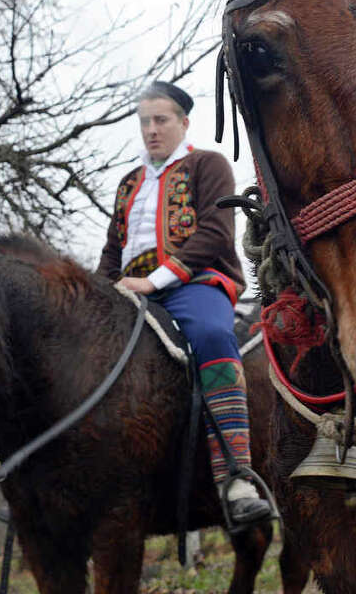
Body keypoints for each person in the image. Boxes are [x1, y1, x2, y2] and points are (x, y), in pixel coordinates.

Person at [96, 80, 271, 526]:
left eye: (161, 120)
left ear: (183, 122)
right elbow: (112, 254)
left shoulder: (207, 165)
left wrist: (153, 282)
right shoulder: (128, 183)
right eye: (144, 122)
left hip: (195, 283)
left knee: (213, 335)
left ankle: (236, 476)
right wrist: (97, 295)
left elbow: (213, 234)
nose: (151, 130)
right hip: (129, 289)